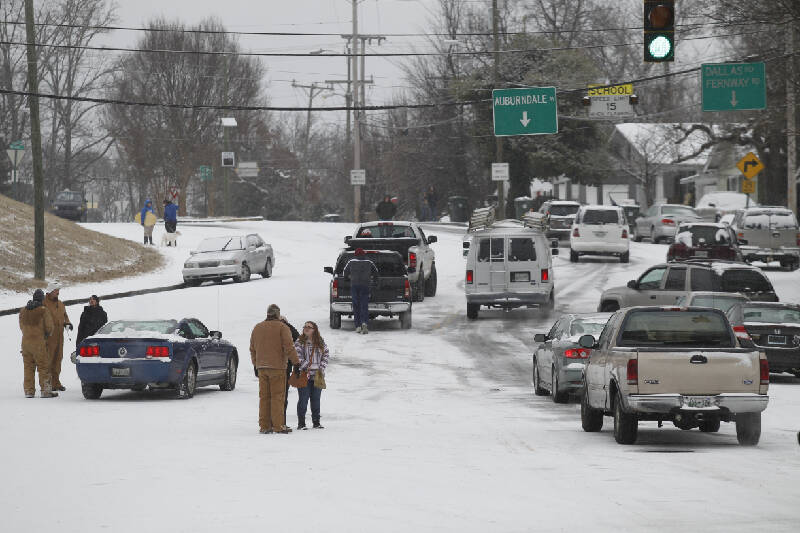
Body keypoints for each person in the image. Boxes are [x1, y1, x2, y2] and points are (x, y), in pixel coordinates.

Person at [250, 304, 300, 434]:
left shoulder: (257, 327)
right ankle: (278, 426)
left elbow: (252, 349)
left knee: (264, 397)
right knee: (277, 397)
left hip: (262, 367)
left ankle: (264, 426)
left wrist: (255, 364)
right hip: (277, 367)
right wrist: (296, 363)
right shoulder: (282, 328)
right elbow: (289, 347)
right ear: (278, 314)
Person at [19, 289, 56, 398]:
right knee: (43, 367)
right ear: (42, 299)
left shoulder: (23, 311)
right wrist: (45, 335)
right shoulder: (43, 311)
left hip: (25, 344)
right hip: (39, 344)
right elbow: (49, 328)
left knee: (28, 368)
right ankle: (46, 391)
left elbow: (21, 326)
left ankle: (29, 391)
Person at [294, 321, 330, 430]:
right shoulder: (299, 342)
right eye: (305, 326)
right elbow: (298, 357)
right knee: (303, 399)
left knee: (316, 400)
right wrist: (308, 367)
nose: (306, 328)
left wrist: (321, 367)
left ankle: (316, 422)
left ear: (314, 330)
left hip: (317, 376)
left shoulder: (320, 342)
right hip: (304, 375)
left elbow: (326, 354)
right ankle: (301, 423)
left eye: (309, 327)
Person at [43, 282, 72, 392]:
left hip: (60, 336)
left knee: (58, 359)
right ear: (50, 291)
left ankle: (56, 382)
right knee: (48, 360)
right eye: (56, 290)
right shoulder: (43, 303)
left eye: (58, 290)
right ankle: (47, 383)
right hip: (49, 337)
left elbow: (65, 316)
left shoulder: (61, 304)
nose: (58, 292)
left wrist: (68, 323)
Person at [343, 248, 378, 334]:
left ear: (355, 254)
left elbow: (345, 273)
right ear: (363, 254)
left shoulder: (351, 261)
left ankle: (358, 326)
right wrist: (375, 281)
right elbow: (376, 272)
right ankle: (364, 323)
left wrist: (347, 279)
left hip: (354, 286)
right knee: (364, 305)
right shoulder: (369, 261)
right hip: (365, 285)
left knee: (356, 305)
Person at [280, 315, 300, 421]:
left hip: (270, 367)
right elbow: (298, 339)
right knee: (283, 396)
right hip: (284, 368)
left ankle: (273, 422)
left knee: (271, 396)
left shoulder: (266, 328)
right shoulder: (287, 330)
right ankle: (281, 421)